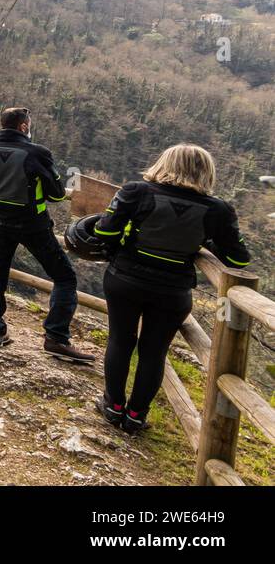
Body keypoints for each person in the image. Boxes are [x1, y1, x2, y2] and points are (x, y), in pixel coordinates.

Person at [93, 144, 251, 434]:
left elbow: (104, 231)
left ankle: (113, 405)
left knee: (120, 340)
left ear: (164, 163)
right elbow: (239, 258)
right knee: (154, 352)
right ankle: (136, 416)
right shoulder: (217, 209)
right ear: (206, 172)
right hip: (172, 290)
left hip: (125, 278)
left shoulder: (137, 191)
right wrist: (206, 242)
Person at [0, 107, 93, 362]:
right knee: (65, 277)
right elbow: (57, 194)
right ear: (24, 127)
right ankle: (56, 338)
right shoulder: (37, 153)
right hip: (33, 225)